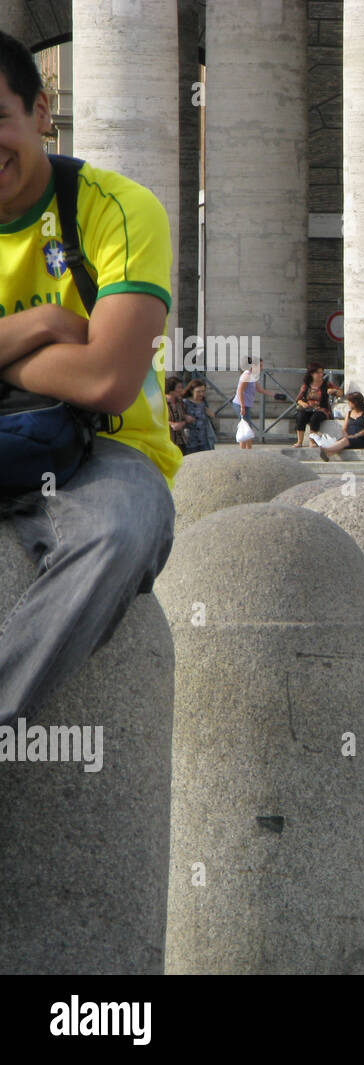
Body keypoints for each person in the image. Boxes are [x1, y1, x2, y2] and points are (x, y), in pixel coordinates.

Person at [0, 31, 175, 724]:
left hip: (102, 451)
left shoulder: (119, 209)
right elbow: (84, 355)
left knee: (119, 535)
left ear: (42, 111)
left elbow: (107, 380)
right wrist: (47, 324)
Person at [234, 357, 276, 449]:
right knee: (245, 428)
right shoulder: (247, 375)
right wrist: (242, 406)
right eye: (260, 365)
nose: (261, 368)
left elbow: (260, 389)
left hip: (246, 404)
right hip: (241, 404)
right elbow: (240, 391)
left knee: (247, 427)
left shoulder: (252, 375)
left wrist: (274, 395)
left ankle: (248, 450)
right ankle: (244, 451)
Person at [318, 392, 364, 461]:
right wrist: (345, 434)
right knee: (339, 442)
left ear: (355, 403)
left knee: (344, 441)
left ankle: (327, 450)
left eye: (350, 402)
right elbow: (344, 428)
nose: (348, 404)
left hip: (360, 438)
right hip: (349, 436)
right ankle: (328, 454)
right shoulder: (349, 413)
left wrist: (355, 435)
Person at [292, 364, 332, 447]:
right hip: (308, 409)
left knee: (315, 418)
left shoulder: (326, 384)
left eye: (322, 372)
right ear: (311, 374)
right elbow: (298, 399)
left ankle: (312, 441)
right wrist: (303, 403)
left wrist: (334, 391)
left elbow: (340, 392)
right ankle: (299, 441)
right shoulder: (306, 386)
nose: (321, 375)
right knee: (300, 416)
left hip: (321, 409)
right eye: (318, 373)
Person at [182, 379, 218, 453]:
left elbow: (209, 419)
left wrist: (211, 415)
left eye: (203, 391)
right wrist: (184, 417)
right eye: (198, 391)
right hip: (190, 440)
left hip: (204, 440)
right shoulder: (184, 403)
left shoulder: (203, 403)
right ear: (192, 391)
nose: (201, 394)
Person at [165, 375, 192, 453]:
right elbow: (156, 419)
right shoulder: (161, 402)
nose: (181, 390)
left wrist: (184, 421)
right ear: (171, 389)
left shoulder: (180, 402)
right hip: (168, 440)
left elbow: (184, 417)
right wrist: (171, 424)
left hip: (181, 441)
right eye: (179, 387)